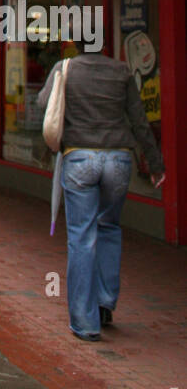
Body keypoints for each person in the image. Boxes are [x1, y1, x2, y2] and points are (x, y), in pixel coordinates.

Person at [38, 39, 165, 341]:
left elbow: (44, 104)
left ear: (77, 43)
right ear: (104, 43)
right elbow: (139, 121)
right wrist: (156, 164)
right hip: (118, 160)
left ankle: (86, 323)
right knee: (108, 227)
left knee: (82, 237)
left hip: (80, 158)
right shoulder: (121, 71)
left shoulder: (64, 68)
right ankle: (105, 303)